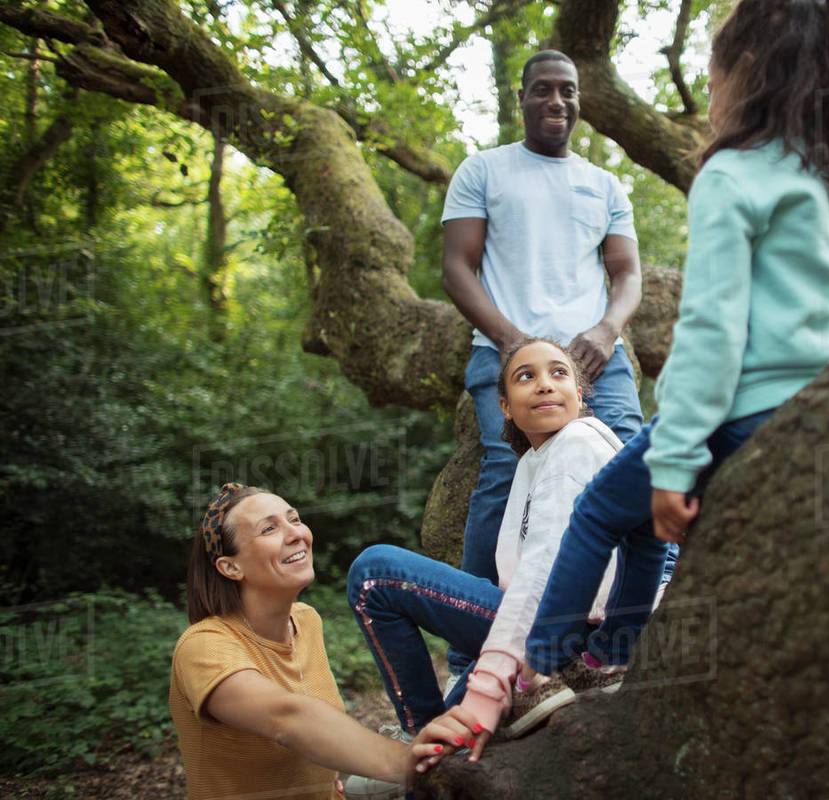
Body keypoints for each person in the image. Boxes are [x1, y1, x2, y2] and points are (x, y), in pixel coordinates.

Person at [524, 0, 829, 681]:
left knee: (597, 512)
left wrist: (676, 460)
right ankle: (614, 659)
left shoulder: (732, 175)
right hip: (809, 419)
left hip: (732, 418)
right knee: (634, 524)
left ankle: (539, 671)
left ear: (746, 71)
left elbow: (713, 334)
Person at [344, 338, 640, 792]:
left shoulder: (578, 442)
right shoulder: (532, 463)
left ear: (581, 397)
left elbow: (548, 568)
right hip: (546, 628)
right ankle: (431, 749)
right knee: (453, 724)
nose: (544, 384)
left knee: (374, 573)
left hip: (574, 631)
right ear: (504, 405)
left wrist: (497, 667)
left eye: (559, 373)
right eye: (526, 376)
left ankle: (416, 737)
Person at [440, 49, 645, 687]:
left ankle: (622, 636)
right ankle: (470, 654)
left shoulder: (604, 184)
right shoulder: (483, 170)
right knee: (502, 472)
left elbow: (628, 274)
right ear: (521, 96)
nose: (557, 102)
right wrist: (510, 342)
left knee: (634, 464)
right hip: (505, 352)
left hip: (593, 356)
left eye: (569, 92)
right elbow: (456, 267)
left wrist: (607, 332)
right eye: (543, 91)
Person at [169, 484, 479, 800]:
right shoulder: (203, 645)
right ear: (230, 567)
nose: (296, 534)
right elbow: (287, 717)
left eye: (294, 519)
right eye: (269, 529)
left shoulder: (305, 620)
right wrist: (403, 760)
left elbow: (313, 740)